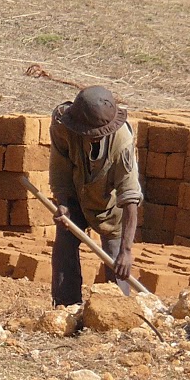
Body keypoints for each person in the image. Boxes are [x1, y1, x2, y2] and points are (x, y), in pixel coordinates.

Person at [48, 85, 143, 306]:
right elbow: (59, 168)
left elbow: (129, 199)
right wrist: (63, 203)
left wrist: (126, 252)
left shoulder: (122, 142)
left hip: (109, 205)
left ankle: (117, 315)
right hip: (75, 194)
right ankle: (66, 306)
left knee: (116, 265)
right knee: (64, 244)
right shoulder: (63, 124)